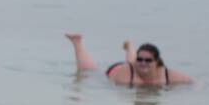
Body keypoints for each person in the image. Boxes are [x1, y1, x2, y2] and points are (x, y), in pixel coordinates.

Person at [64, 34, 193, 86]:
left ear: (157, 62)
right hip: (116, 70)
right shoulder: (126, 74)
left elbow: (191, 81)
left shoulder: (166, 73)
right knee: (89, 71)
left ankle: (130, 47)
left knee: (133, 64)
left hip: (132, 67)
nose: (143, 62)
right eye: (140, 59)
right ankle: (77, 42)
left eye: (148, 60)